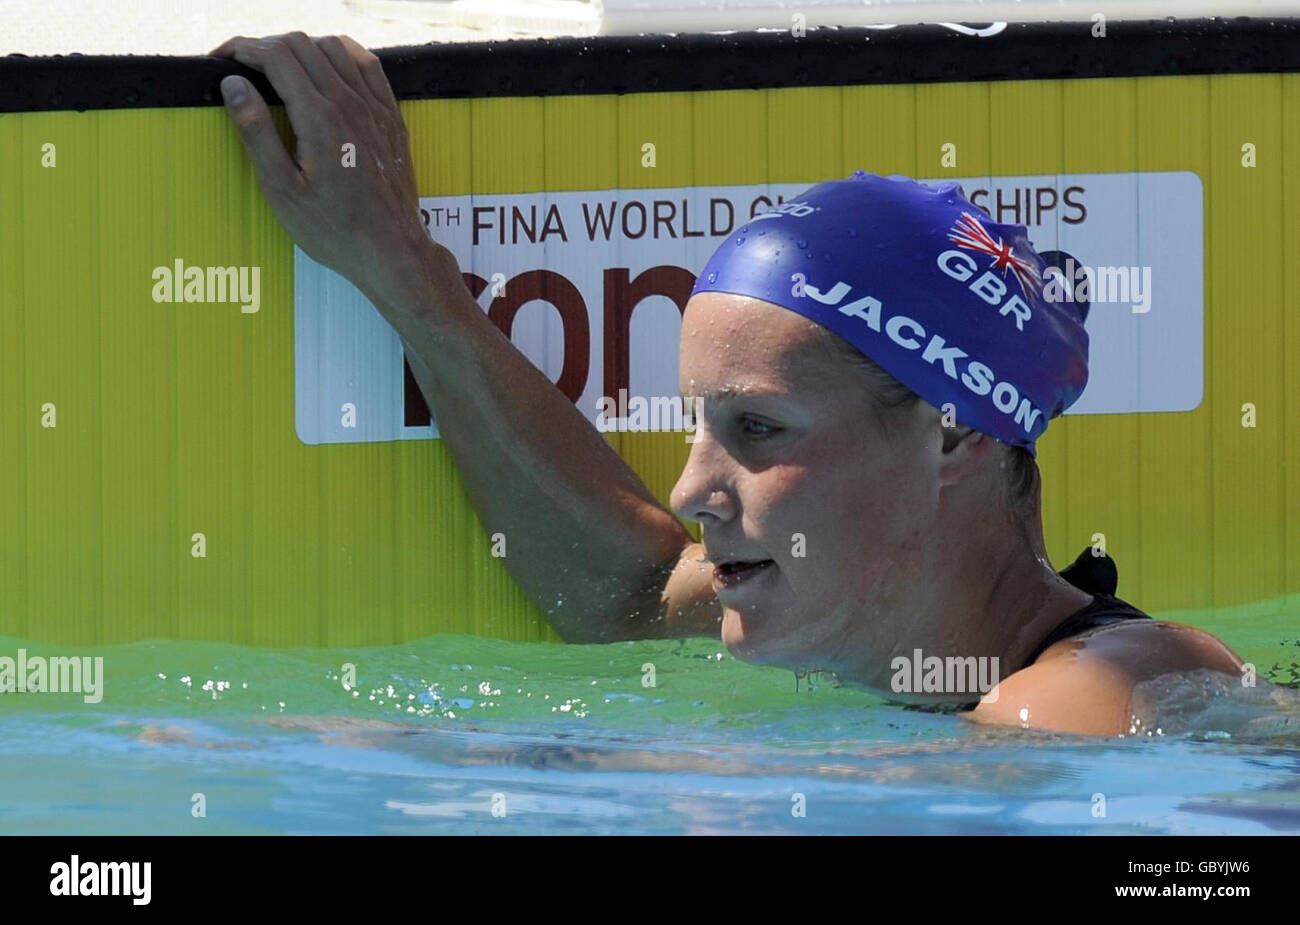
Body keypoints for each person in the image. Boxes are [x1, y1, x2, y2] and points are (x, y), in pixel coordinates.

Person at [209, 32, 1246, 735]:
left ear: (949, 436)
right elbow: (626, 596)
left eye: (756, 427)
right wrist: (400, 266)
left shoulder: (1103, 697)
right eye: (703, 426)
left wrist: (376, 764)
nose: (692, 490)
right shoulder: (888, 629)